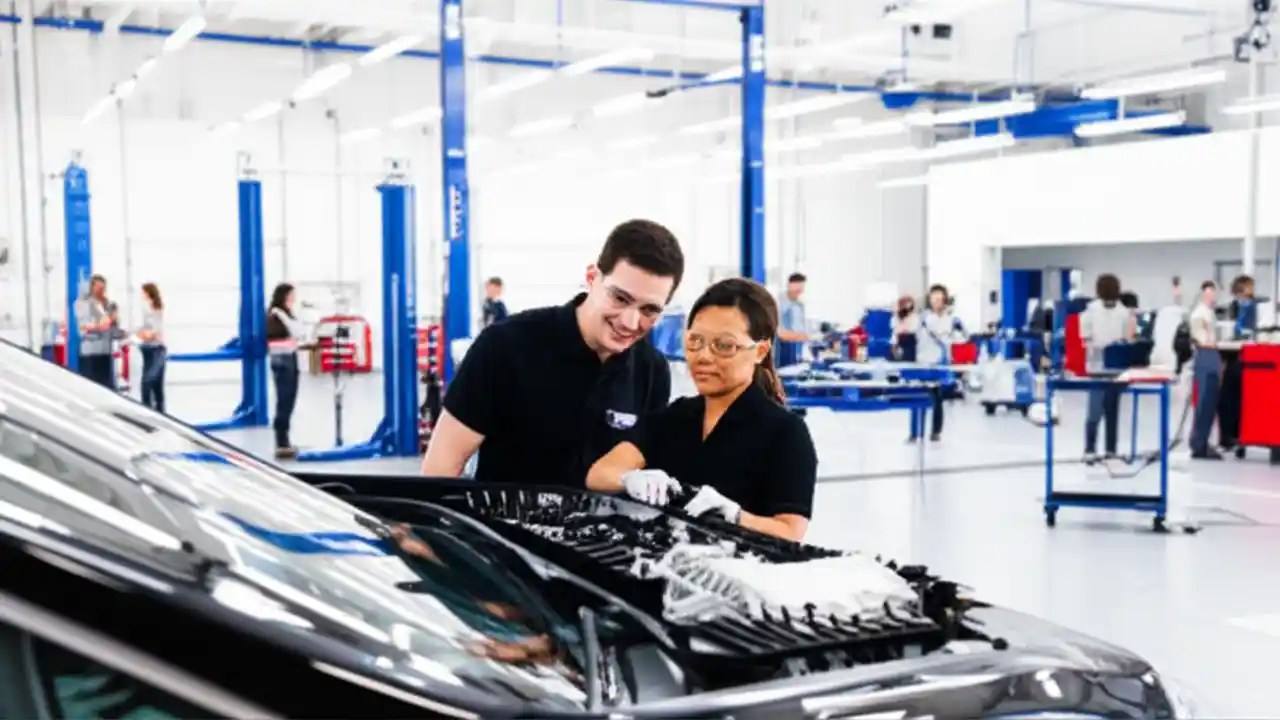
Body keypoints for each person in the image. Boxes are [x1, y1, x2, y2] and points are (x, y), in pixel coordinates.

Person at [422, 219, 684, 486]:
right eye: (620, 298)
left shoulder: (652, 371)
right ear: (592, 278)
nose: (630, 322)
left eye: (649, 310)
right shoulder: (505, 347)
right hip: (501, 526)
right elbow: (441, 469)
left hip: (605, 527)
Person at [586, 278, 817, 542]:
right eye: (695, 341)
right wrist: (629, 479)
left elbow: (790, 532)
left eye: (724, 346)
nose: (704, 356)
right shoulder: (677, 417)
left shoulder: (785, 432)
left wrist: (737, 517)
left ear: (760, 351)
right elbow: (599, 473)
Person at [1079, 274, 1135, 462]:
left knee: (1111, 409)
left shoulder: (1123, 312)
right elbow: (1085, 338)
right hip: (1098, 366)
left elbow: (1128, 339)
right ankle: (1090, 449)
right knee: (1096, 409)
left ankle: (1108, 450)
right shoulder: (1091, 311)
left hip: (1114, 368)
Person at [912, 284, 957, 443]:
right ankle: (915, 432)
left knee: (937, 398)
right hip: (922, 361)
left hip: (938, 362)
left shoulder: (947, 319)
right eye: (934, 298)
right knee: (917, 398)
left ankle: (936, 431)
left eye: (940, 299)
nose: (937, 301)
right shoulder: (922, 318)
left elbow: (947, 339)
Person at [266, 283, 305, 459]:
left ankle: (285, 441)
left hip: (290, 358)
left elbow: (298, 332)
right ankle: (281, 443)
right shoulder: (277, 314)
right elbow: (296, 331)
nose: (293, 299)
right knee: (284, 401)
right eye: (291, 295)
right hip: (283, 360)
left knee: (289, 400)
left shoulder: (285, 314)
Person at [1188, 280, 1223, 460]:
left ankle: (1201, 441)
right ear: (1203, 293)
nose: (1212, 296)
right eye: (1209, 292)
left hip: (1211, 357)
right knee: (1205, 402)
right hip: (1206, 357)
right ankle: (1199, 444)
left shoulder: (1209, 312)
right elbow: (1202, 340)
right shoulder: (1199, 313)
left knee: (1209, 403)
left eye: (1214, 292)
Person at [74, 274, 118, 389]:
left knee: (107, 386)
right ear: (92, 288)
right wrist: (100, 326)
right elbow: (83, 326)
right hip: (90, 352)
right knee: (90, 386)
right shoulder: (83, 304)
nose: (101, 291)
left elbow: (112, 326)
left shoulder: (108, 304)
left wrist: (114, 320)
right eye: (98, 288)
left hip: (105, 352)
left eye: (103, 288)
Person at [137, 282, 167, 412]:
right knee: (156, 385)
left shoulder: (153, 309)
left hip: (155, 349)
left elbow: (155, 332)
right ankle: (158, 411)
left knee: (147, 383)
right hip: (149, 349)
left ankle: (149, 412)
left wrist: (145, 335)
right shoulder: (150, 308)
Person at [776, 272, 808, 368]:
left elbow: (800, 329)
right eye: (797, 289)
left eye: (801, 289)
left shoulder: (799, 305)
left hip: (796, 350)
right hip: (781, 350)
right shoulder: (778, 303)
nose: (799, 292)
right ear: (789, 285)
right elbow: (780, 333)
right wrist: (802, 336)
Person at [1230, 274, 1257, 339]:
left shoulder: (1252, 303)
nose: (1252, 288)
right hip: (1241, 333)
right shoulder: (1240, 303)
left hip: (1250, 333)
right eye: (1249, 286)